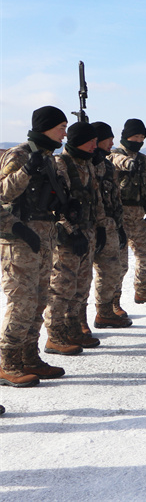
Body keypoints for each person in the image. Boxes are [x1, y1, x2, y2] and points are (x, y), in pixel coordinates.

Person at [0, 106, 71, 387]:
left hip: (44, 237)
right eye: (61, 126)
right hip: (19, 240)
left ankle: (29, 357)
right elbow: (3, 192)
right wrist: (27, 171)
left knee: (40, 301)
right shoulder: (19, 155)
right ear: (45, 127)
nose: (65, 132)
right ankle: (6, 362)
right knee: (21, 303)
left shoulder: (50, 159)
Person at [45, 122, 106, 357]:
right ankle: (55, 337)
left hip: (87, 233)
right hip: (66, 238)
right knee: (61, 288)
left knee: (81, 287)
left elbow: (96, 198)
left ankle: (73, 329)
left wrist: (99, 227)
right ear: (78, 140)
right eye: (90, 141)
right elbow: (56, 206)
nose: (94, 145)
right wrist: (73, 231)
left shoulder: (88, 164)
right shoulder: (61, 165)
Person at [110, 118, 146, 305]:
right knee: (119, 265)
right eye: (135, 136)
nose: (139, 141)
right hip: (118, 218)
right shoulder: (113, 155)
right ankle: (112, 303)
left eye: (142, 137)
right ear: (126, 136)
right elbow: (118, 161)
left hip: (138, 218)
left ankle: (142, 291)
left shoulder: (142, 160)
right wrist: (128, 163)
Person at [90, 122, 132, 328]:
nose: (112, 143)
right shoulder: (77, 163)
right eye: (109, 138)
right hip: (83, 228)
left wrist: (120, 226)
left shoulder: (107, 165)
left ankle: (105, 312)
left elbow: (114, 198)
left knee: (112, 270)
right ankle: (76, 322)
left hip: (109, 226)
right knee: (75, 280)